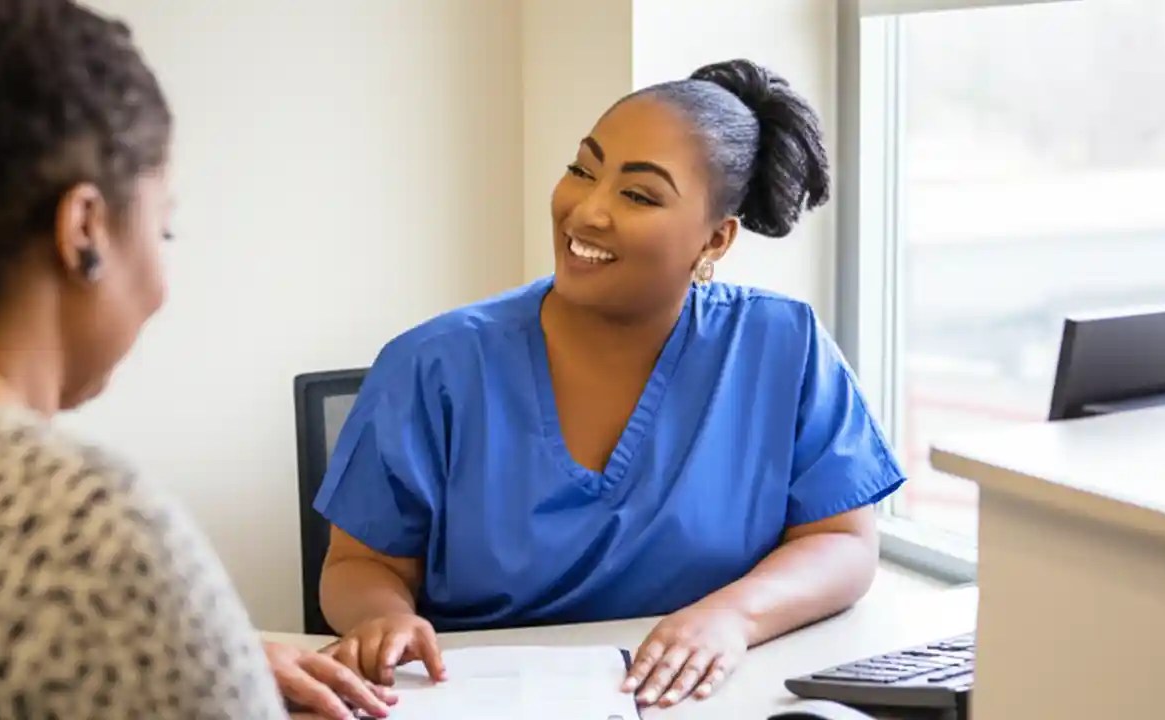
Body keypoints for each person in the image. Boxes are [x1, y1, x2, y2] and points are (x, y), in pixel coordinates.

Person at [316, 58, 906, 708]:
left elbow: (842, 540)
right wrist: (383, 620)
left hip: (704, 699)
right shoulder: (433, 366)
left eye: (638, 195)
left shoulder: (783, 346)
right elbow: (359, 565)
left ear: (715, 239)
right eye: (582, 170)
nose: (587, 211)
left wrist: (733, 617)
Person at [0, 1, 393, 718]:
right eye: (162, 226)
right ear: (85, 229)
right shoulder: (83, 533)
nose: (164, 280)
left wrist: (192, 653)